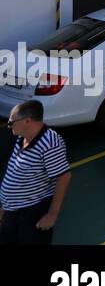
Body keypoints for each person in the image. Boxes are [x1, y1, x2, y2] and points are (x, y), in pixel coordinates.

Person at [1, 100, 71, 245]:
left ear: (27, 121)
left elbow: (63, 176)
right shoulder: (22, 136)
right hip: (13, 210)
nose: (9, 125)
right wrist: (5, 206)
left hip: (32, 212)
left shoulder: (50, 143)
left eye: (11, 122)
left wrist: (51, 215)